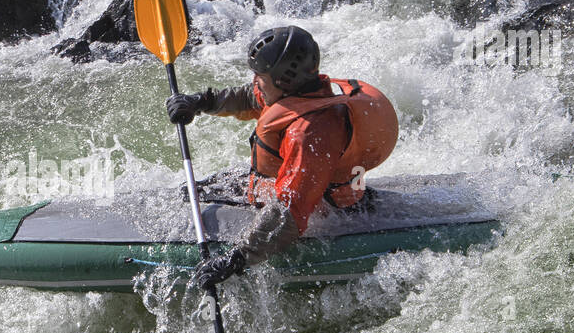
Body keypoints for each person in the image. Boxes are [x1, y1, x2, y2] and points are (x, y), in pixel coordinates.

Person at [165, 25, 399, 289]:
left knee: (196, 194)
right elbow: (248, 97)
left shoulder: (309, 134)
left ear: (283, 81)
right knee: (193, 190)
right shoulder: (299, 90)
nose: (255, 82)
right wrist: (201, 102)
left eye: (260, 77)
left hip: (327, 209)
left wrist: (235, 259)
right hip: (314, 187)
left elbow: (288, 212)